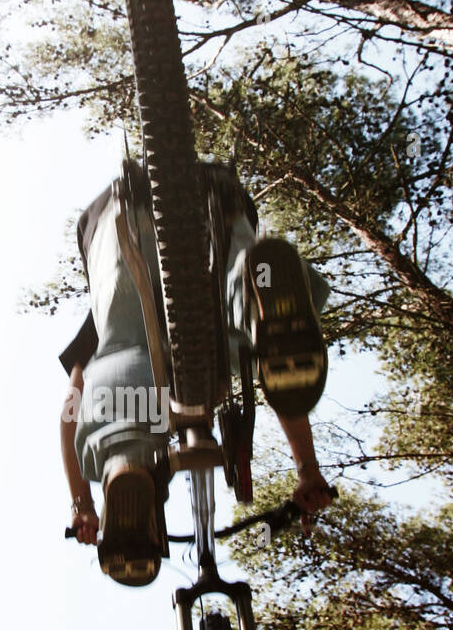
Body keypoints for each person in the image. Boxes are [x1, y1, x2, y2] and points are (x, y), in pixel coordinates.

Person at [60, 159, 333, 586]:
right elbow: (282, 378)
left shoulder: (92, 328)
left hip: (123, 222)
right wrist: (307, 469)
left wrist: (83, 500)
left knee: (125, 347)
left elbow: (72, 406)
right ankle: (256, 298)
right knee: (248, 326)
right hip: (211, 202)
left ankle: (125, 459)